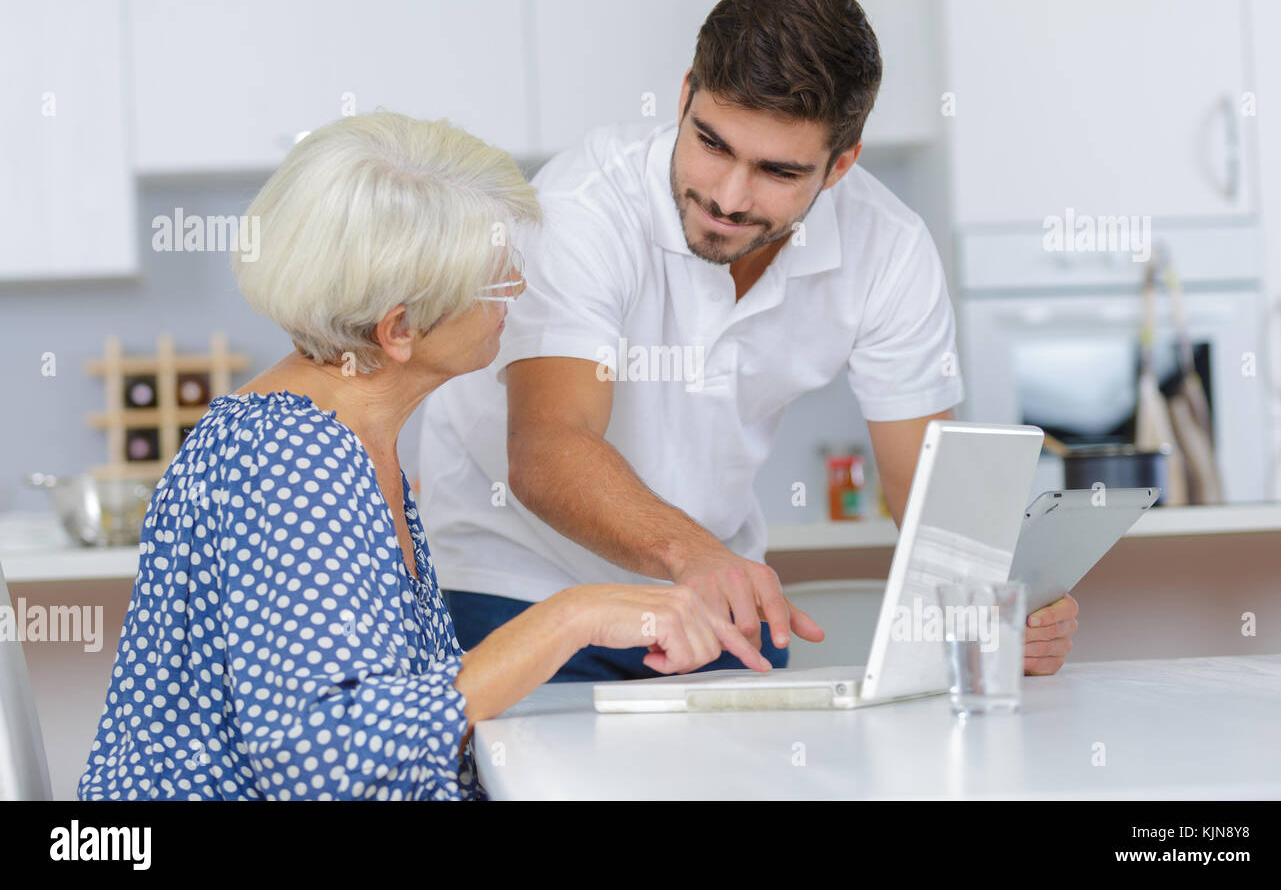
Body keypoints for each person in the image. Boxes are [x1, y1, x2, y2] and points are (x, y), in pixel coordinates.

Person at [77, 112, 770, 802]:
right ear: (400, 329)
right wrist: (575, 615)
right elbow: (328, 762)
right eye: (496, 284)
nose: (519, 292)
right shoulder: (292, 462)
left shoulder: (337, 438)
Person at [421, 0, 1079, 680]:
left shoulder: (889, 247)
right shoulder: (583, 207)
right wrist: (692, 553)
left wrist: (996, 601)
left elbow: (924, 485)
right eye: (712, 143)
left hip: (713, 600)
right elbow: (548, 446)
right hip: (514, 589)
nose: (728, 197)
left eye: (778, 172)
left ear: (841, 166)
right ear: (683, 97)